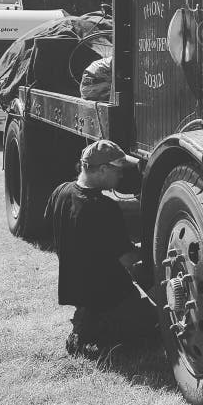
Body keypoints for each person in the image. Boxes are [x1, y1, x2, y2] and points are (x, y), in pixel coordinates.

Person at [44, 139, 156, 357]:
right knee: (157, 328)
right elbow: (127, 260)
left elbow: (51, 227)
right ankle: (99, 332)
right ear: (103, 169)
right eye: (119, 170)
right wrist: (150, 248)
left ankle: (85, 323)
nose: (121, 176)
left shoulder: (60, 192)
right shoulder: (104, 208)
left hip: (78, 291)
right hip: (110, 294)